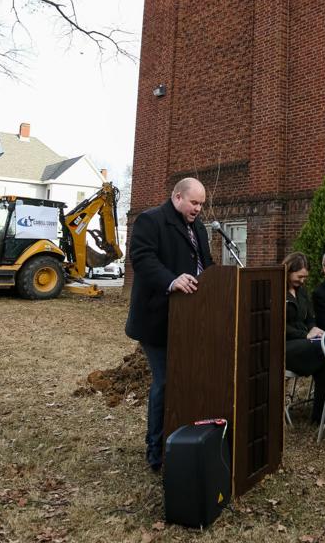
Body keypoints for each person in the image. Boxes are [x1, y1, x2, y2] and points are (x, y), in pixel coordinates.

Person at [126, 177, 212, 472]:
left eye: (201, 204)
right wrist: (171, 280)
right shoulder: (151, 221)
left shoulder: (198, 227)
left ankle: (184, 438)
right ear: (177, 197)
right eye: (194, 202)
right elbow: (142, 259)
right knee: (166, 381)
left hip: (190, 321)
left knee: (188, 380)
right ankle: (156, 450)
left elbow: (206, 265)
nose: (199, 209)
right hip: (157, 320)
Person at [283, 252, 325, 423]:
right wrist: (305, 334)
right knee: (321, 351)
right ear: (288, 271)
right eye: (299, 276)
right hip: (285, 344)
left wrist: (314, 328)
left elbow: (309, 318)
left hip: (304, 342)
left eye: (305, 277)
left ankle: (323, 413)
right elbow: (279, 325)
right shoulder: (277, 290)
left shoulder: (302, 292)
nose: (302, 281)